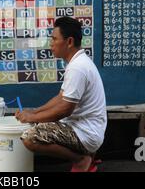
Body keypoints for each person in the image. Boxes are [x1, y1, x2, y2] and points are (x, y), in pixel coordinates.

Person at [15, 16, 107, 172]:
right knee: (40, 122)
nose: (51, 43)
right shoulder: (78, 63)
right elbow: (61, 98)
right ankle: (88, 156)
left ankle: (80, 159)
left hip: (86, 132)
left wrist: (33, 118)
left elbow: (65, 109)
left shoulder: (77, 68)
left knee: (29, 138)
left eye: (54, 39)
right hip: (87, 128)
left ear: (69, 42)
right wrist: (34, 112)